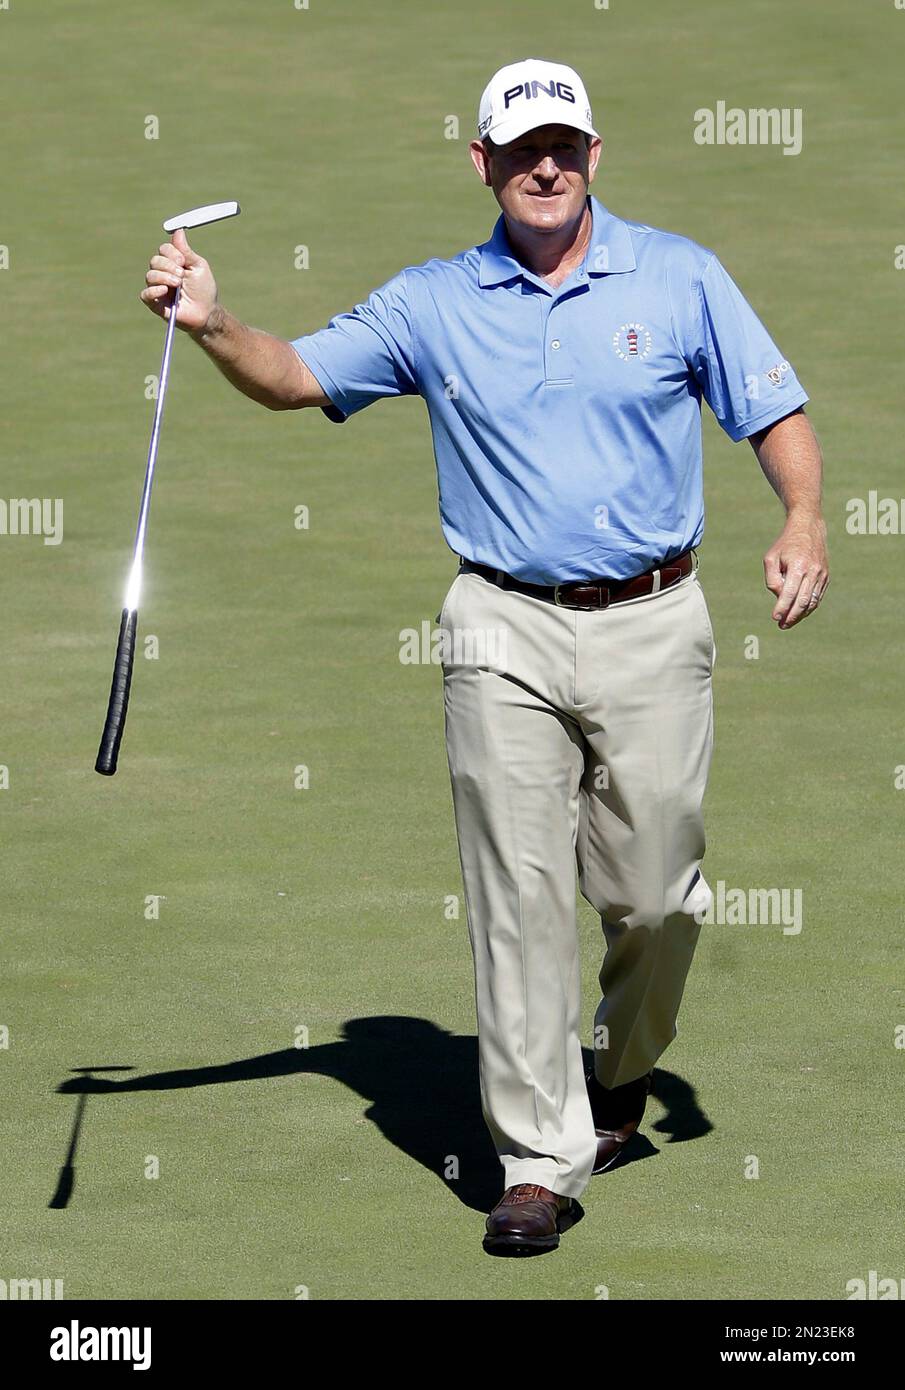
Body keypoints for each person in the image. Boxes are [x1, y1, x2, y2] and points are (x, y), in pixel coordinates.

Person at [141, 57, 828, 1258]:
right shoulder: (431, 301)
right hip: (498, 626)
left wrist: (802, 520)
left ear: (593, 155)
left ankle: (616, 1069)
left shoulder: (677, 276)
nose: (544, 166)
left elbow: (770, 412)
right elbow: (297, 376)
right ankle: (534, 1162)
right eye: (520, 151)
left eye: (562, 145)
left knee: (656, 892)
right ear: (483, 165)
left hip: (655, 618)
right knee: (515, 901)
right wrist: (213, 323)